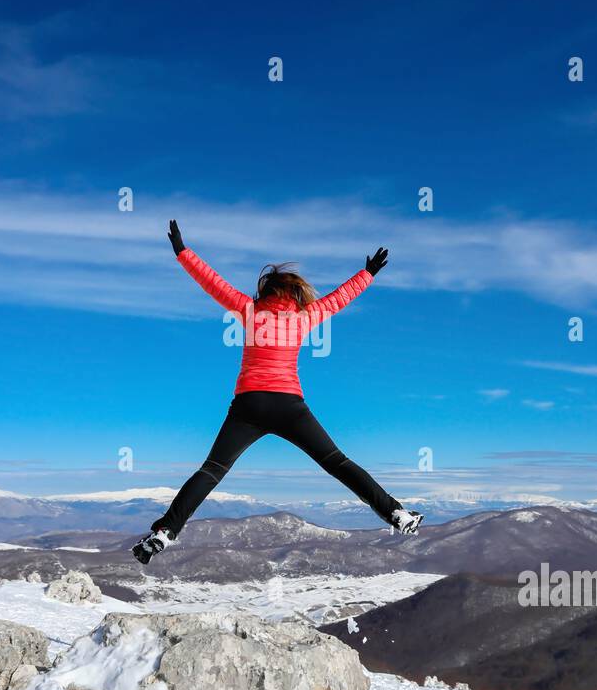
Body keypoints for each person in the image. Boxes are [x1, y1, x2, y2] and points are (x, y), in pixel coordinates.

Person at [132, 220, 423, 564]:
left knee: (212, 470)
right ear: (293, 294)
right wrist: (368, 273)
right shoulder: (304, 317)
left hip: (249, 404)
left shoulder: (249, 310)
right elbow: (337, 300)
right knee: (337, 462)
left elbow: (211, 281)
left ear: (266, 291)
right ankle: (396, 514)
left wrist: (183, 251)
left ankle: (166, 531)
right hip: (289, 405)